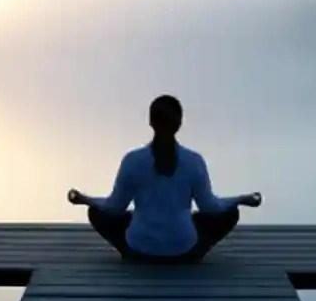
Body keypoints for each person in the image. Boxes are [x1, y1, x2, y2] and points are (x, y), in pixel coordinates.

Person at [67, 95, 262, 262]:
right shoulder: (194, 161)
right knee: (228, 213)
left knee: (98, 212)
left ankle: (136, 252)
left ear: (151, 122)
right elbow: (210, 208)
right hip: (183, 251)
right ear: (180, 123)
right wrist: (241, 199)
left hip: (139, 250)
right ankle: (189, 252)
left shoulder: (133, 160)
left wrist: (86, 200)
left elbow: (114, 207)